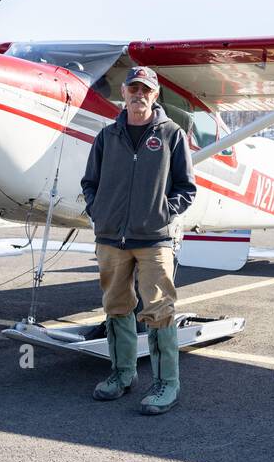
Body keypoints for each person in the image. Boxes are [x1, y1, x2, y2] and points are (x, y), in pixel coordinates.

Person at [80, 66, 196, 415]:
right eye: (133, 89)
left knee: (159, 311)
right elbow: (90, 182)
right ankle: (122, 374)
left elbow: (186, 188)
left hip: (154, 238)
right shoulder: (107, 136)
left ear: (155, 95)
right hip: (111, 237)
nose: (139, 95)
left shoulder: (171, 135)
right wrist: (100, 211)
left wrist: (161, 213)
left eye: (145, 90)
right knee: (116, 306)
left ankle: (166, 384)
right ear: (125, 93)